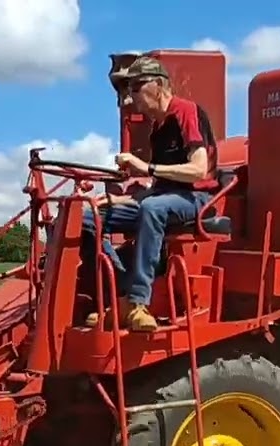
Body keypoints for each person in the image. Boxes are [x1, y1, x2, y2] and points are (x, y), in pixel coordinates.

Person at [80, 55, 220, 332]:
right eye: (127, 89)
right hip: (165, 196)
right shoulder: (157, 127)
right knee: (87, 218)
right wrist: (114, 200)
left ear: (158, 85)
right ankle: (121, 295)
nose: (130, 97)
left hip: (195, 199)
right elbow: (158, 187)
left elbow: (198, 170)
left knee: (153, 208)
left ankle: (139, 302)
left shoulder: (185, 112)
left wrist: (145, 166)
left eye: (135, 87)